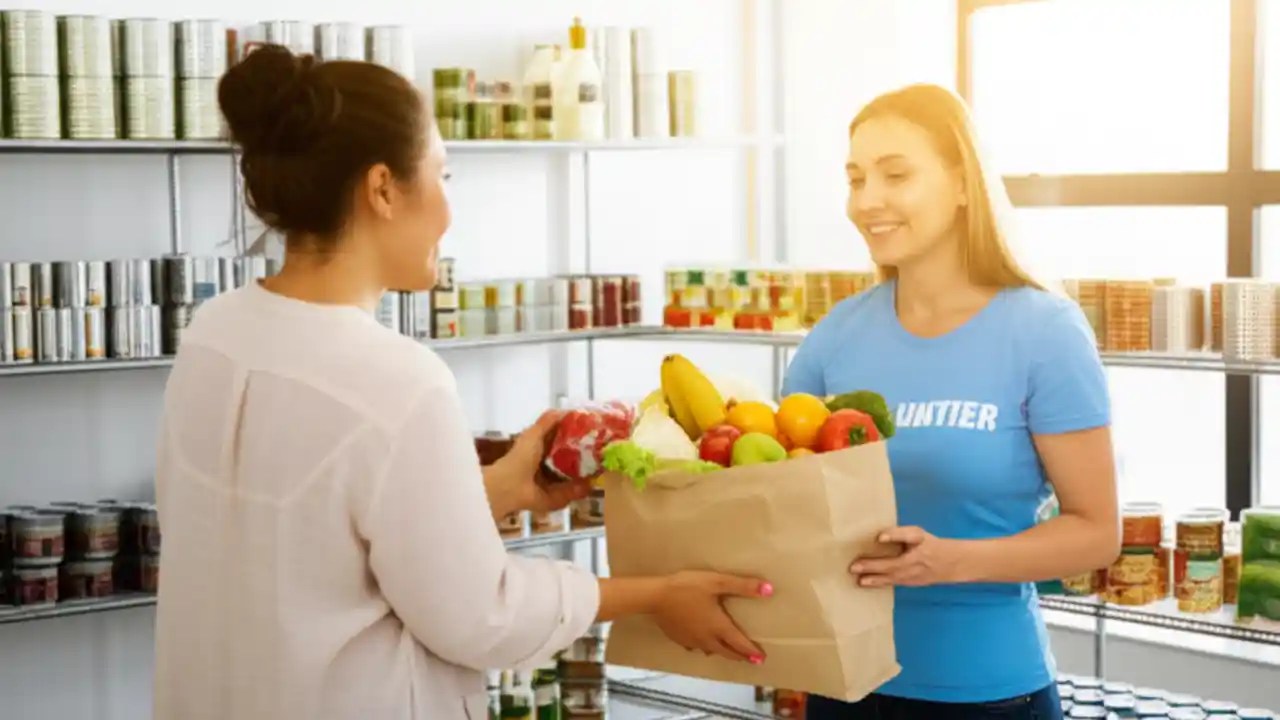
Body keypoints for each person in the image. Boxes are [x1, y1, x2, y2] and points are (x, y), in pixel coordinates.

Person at [151, 45, 770, 720]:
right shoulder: (399, 380)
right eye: (443, 175)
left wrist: (494, 492)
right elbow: (479, 615)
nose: (449, 210)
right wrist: (653, 593)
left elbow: (309, 541)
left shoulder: (215, 334)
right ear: (383, 188)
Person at [783, 84, 1120, 720]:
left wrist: (953, 561)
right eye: (855, 179)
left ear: (964, 182)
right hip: (843, 687)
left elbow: (1097, 534)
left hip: (990, 695)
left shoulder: (1044, 331)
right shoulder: (834, 337)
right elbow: (785, 505)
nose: (866, 201)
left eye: (895, 174)